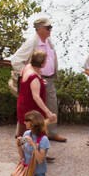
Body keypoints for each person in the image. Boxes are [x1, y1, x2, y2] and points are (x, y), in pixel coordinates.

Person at [11, 15, 66, 148]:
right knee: (31, 109)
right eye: (48, 27)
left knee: (51, 105)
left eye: (50, 27)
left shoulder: (48, 40)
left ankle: (50, 133)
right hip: (37, 81)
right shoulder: (32, 43)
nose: (50, 30)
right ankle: (23, 137)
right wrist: (29, 74)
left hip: (48, 79)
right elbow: (15, 61)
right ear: (39, 29)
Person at [15, 49, 55, 137]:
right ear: (42, 64)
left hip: (23, 105)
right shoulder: (34, 77)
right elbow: (36, 97)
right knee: (31, 135)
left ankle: (25, 149)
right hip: (31, 109)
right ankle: (32, 149)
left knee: (24, 134)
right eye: (45, 60)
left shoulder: (28, 66)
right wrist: (48, 112)